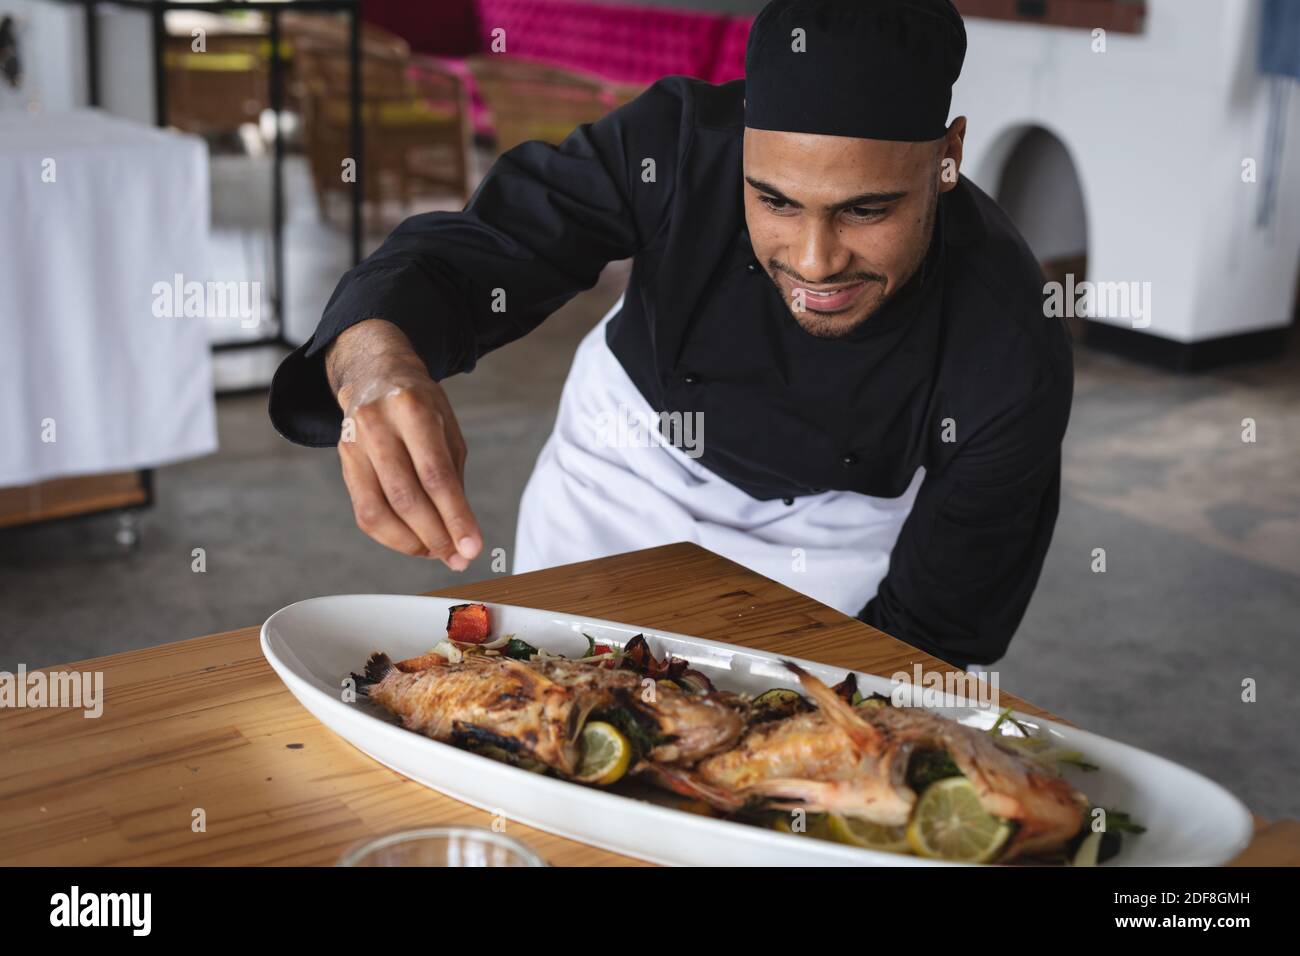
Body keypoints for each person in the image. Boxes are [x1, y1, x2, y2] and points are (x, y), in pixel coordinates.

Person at [268, 0, 1073, 670]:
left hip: (831, 542)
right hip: (624, 469)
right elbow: (482, 250)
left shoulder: (1008, 342)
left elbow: (930, 635)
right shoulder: (679, 144)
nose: (816, 261)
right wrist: (374, 354)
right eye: (776, 202)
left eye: (867, 210)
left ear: (948, 156)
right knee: (542, 704)